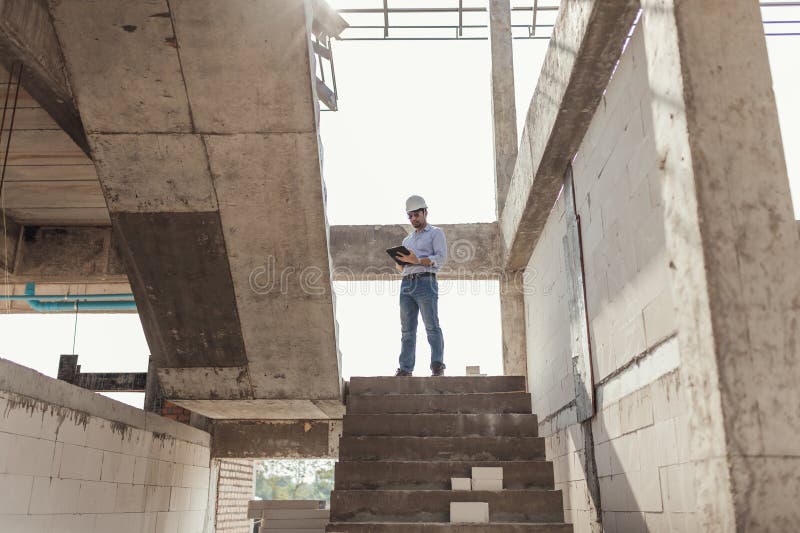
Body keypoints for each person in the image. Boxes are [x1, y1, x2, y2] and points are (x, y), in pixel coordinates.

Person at [394, 195, 447, 377]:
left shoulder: (435, 233)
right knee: (407, 330)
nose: (413, 219)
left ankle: (437, 365)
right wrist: (400, 262)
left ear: (425, 212)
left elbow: (440, 258)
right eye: (410, 216)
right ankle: (405, 369)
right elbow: (401, 266)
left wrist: (416, 260)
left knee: (431, 325)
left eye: (416, 214)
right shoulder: (406, 241)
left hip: (426, 282)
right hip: (406, 284)